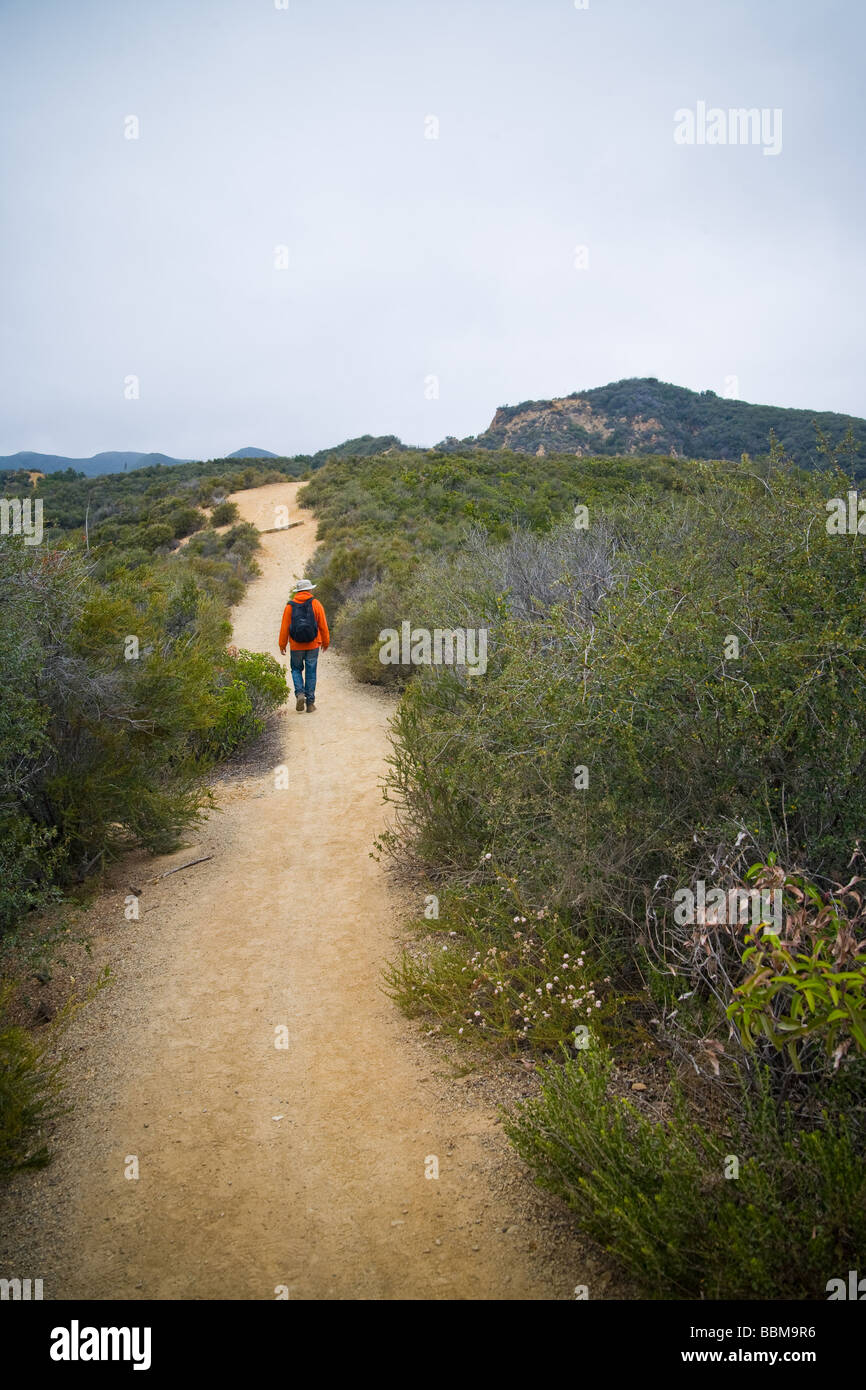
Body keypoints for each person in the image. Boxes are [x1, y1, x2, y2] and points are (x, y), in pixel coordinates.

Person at [278, 580, 330, 712]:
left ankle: (300, 694)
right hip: (313, 644)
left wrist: (282, 644)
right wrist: (325, 642)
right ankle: (310, 703)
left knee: (296, 669)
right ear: (309, 590)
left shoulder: (290, 607)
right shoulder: (316, 604)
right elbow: (323, 625)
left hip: (296, 646)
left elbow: (284, 627)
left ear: (298, 592)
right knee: (311, 672)